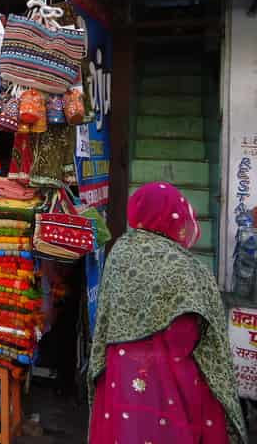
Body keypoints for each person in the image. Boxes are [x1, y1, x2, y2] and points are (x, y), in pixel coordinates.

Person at [89, 182, 247, 444]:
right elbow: (190, 336)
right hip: (170, 385)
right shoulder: (186, 268)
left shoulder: (120, 251)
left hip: (121, 376)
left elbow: (108, 316)